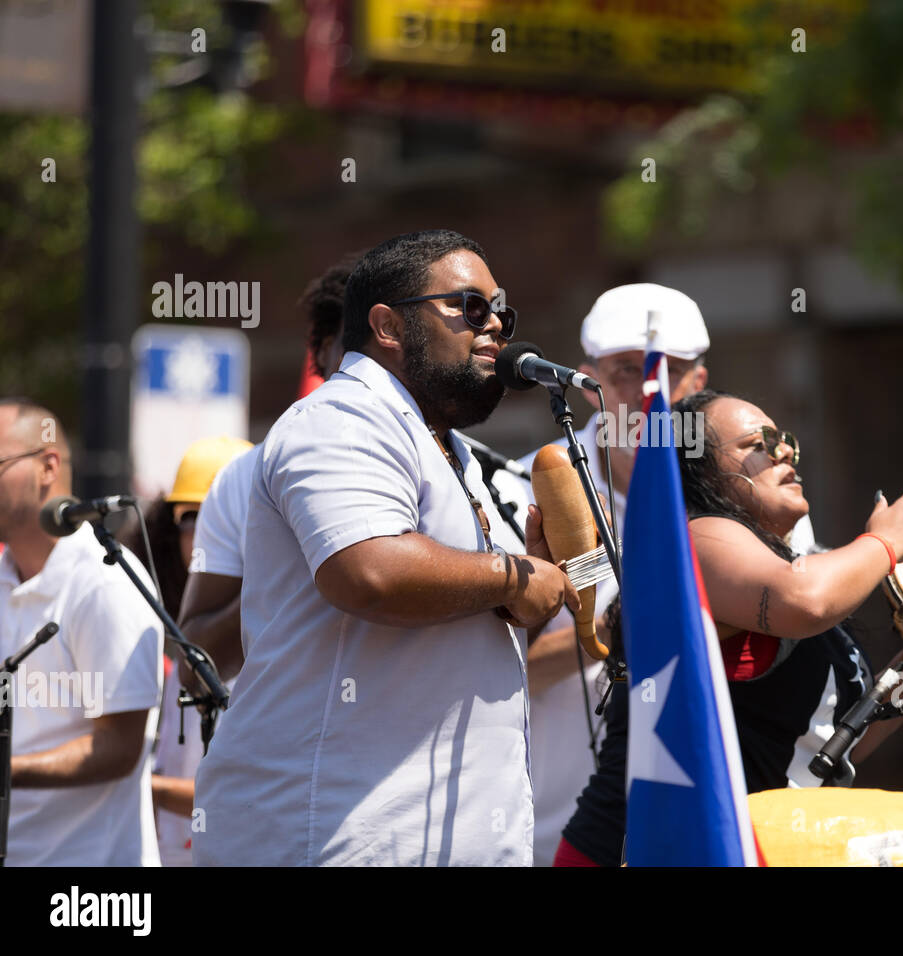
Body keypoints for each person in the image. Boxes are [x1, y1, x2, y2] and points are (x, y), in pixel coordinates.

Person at [192, 229, 577, 866]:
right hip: (339, 829)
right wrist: (513, 576)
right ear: (388, 326)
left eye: (503, 313)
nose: (496, 328)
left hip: (448, 833)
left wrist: (531, 589)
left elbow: (470, 607)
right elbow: (368, 571)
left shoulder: (447, 448)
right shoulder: (341, 418)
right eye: (471, 308)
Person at [557, 388, 903, 866]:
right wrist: (885, 541)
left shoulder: (787, 565)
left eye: (784, 439)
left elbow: (838, 743)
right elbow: (804, 599)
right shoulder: (694, 539)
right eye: (757, 443)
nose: (783, 449)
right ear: (699, 468)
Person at [496, 283, 818, 866]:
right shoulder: (518, 493)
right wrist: (636, 623)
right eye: (627, 373)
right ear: (590, 384)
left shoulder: (752, 498)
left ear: (699, 385)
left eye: (673, 373)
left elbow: (790, 642)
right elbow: (494, 664)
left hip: (697, 825)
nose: (652, 392)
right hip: (553, 827)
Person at [178, 254, 359, 681]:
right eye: (353, 346)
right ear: (323, 350)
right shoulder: (242, 478)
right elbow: (193, 662)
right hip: (277, 742)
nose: (367, 369)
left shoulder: (474, 470)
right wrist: (281, 573)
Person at [0, 398, 163, 865]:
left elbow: (119, 746)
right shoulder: (5, 575)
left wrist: (6, 772)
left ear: (47, 466)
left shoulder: (103, 581)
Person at [123, 436, 252, 867]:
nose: (202, 532)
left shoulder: (271, 639)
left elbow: (239, 791)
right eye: (190, 516)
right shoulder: (153, 630)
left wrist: (135, 784)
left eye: (221, 515)